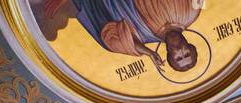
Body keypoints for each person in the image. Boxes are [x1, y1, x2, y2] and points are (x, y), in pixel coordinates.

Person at [41, 0, 201, 73]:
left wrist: (148, 52)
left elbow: (113, 39)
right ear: (191, 47)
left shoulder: (141, 35)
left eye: (179, 58)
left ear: (169, 55)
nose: (180, 51)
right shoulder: (190, 12)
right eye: (187, 54)